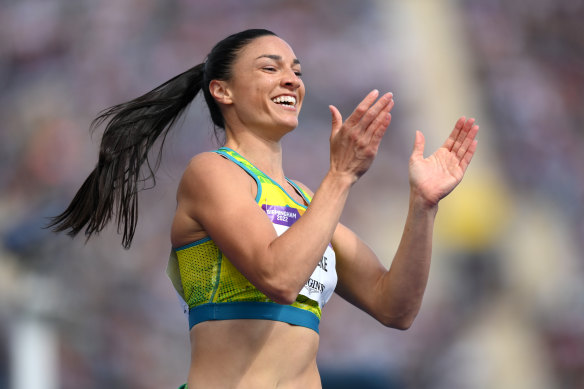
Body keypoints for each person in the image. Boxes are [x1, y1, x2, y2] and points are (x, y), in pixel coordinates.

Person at [50, 29, 479, 389]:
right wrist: (341, 176)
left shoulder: (308, 201)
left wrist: (423, 205)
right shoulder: (211, 172)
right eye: (270, 68)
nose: (291, 79)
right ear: (223, 91)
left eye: (296, 70)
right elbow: (278, 277)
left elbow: (396, 307)